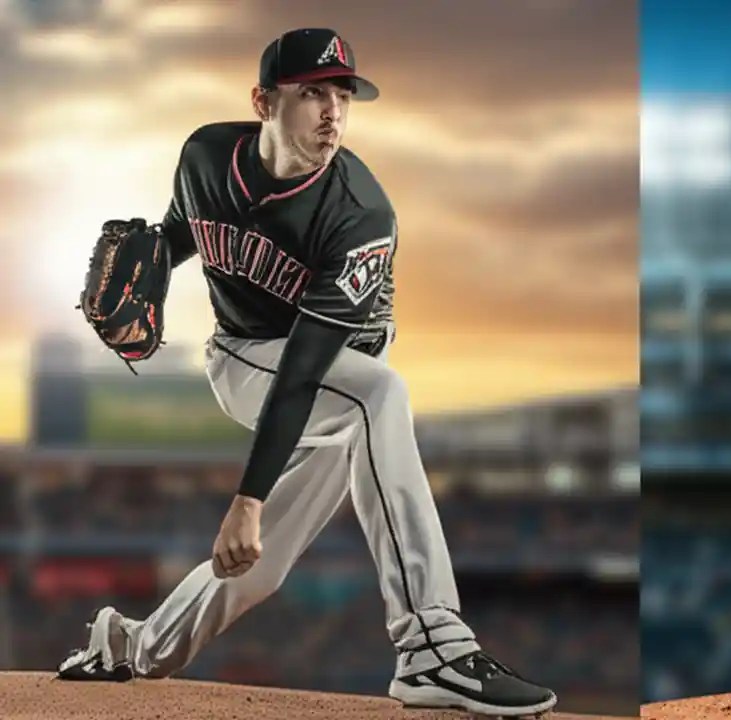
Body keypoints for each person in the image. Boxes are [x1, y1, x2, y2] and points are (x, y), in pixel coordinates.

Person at [55, 27, 556, 718]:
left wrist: (249, 501)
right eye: (312, 92)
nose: (332, 111)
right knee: (381, 396)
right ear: (264, 101)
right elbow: (187, 228)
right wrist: (151, 260)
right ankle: (431, 645)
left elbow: (304, 370)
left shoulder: (358, 212)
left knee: (258, 562)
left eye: (343, 95)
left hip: (322, 373)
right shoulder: (204, 155)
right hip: (243, 356)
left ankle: (134, 646)